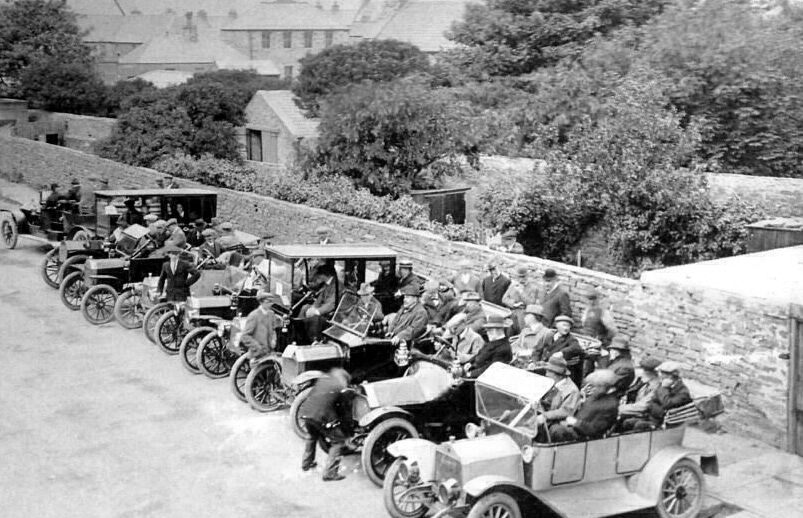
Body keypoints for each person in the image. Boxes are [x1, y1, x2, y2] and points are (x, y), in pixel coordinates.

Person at [301, 368, 352, 481]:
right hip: (321, 416)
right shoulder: (338, 386)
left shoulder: (323, 380)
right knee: (338, 442)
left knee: (311, 436)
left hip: (306, 413)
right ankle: (330, 473)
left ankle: (306, 464)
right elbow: (342, 410)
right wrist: (346, 430)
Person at [549, 369, 619, 442]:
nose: (593, 389)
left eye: (596, 386)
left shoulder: (610, 405)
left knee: (557, 430)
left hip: (586, 438)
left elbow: (594, 429)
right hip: (576, 429)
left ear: (604, 386)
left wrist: (574, 422)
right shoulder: (595, 397)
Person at [622, 361, 692, 432]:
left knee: (640, 425)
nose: (660, 375)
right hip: (650, 417)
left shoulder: (683, 392)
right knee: (627, 422)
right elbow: (652, 402)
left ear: (672, 376)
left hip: (664, 424)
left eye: (663, 373)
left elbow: (667, 404)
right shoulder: (663, 385)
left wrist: (664, 388)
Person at [533, 356, 581, 441]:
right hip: (545, 414)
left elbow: (565, 411)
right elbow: (545, 401)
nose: (546, 374)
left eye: (549, 372)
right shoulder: (551, 383)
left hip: (558, 421)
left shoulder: (572, 390)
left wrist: (545, 416)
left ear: (558, 375)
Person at [537, 315, 583, 387]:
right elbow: (537, 350)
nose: (566, 328)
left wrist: (562, 352)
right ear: (556, 325)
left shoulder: (570, 339)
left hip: (557, 372)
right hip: (543, 367)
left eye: (568, 326)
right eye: (564, 325)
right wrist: (535, 362)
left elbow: (576, 347)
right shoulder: (548, 335)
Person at [303, 264, 341, 341]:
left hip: (334, 315)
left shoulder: (337, 286)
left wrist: (316, 311)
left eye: (319, 275)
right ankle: (299, 330)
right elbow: (320, 299)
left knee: (315, 318)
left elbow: (331, 304)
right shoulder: (327, 284)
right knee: (305, 307)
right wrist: (313, 307)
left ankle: (312, 339)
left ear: (324, 275)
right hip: (325, 311)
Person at [241, 291, 277, 361]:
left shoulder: (271, 314)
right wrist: (257, 347)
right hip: (257, 356)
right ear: (261, 302)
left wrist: (274, 340)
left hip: (269, 353)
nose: (271, 304)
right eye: (268, 301)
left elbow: (273, 330)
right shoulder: (254, 316)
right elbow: (245, 336)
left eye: (272, 302)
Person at [502, 266, 539, 332]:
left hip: (524, 316)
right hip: (512, 315)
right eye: (519, 277)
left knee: (522, 334)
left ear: (527, 276)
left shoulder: (533, 288)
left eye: (523, 277)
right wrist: (514, 304)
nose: (521, 279)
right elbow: (504, 299)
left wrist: (521, 292)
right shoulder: (513, 285)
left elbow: (531, 303)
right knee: (509, 334)